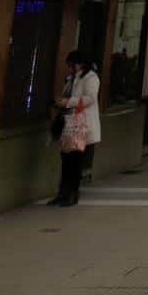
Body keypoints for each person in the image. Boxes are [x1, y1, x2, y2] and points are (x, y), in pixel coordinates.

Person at [49, 49, 100, 207]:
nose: (70, 68)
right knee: (65, 160)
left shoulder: (90, 78)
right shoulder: (72, 78)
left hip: (80, 123)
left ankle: (73, 193)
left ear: (81, 64)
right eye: (69, 66)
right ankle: (62, 193)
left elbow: (90, 98)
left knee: (75, 162)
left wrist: (68, 102)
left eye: (73, 65)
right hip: (69, 122)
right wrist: (61, 102)